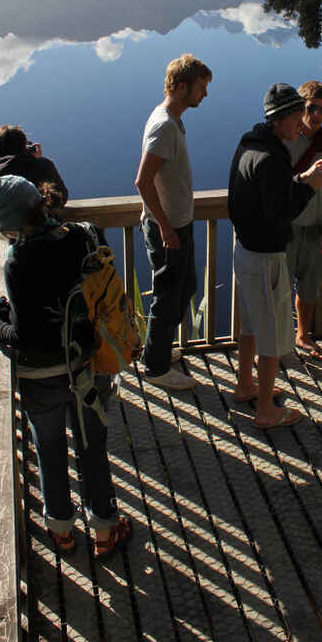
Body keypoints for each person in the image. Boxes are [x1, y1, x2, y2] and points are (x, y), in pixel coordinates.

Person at [0, 171, 131, 556]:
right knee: (92, 448)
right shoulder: (87, 235)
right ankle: (104, 532)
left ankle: (61, 532)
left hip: (40, 377)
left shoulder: (18, 262)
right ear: (40, 202)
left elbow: (27, 336)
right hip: (87, 368)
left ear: (8, 226)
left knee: (49, 449)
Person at [228, 83, 322, 428]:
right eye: (296, 118)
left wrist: (301, 178)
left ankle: (245, 385)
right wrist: (309, 186)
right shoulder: (273, 158)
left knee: (248, 324)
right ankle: (266, 410)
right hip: (266, 255)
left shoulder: (249, 143)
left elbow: (265, 196)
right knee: (273, 335)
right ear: (281, 119)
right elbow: (282, 211)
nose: (302, 124)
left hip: (244, 249)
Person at [135, 54, 212, 391]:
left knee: (187, 287)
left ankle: (158, 350)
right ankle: (155, 368)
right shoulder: (164, 125)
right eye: (201, 88)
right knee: (168, 297)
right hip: (168, 229)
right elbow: (142, 181)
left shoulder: (172, 119)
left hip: (179, 223)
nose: (204, 95)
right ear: (182, 87)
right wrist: (165, 226)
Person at [284, 81, 322, 360]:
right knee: (279, 287)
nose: (317, 115)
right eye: (312, 108)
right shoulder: (285, 139)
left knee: (309, 287)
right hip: (286, 227)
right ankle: (276, 341)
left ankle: (303, 335)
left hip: (316, 225)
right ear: (300, 107)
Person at [0, 124, 69, 209]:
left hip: (9, 221)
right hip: (40, 220)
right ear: (23, 145)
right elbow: (62, 197)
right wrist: (40, 161)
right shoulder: (43, 165)